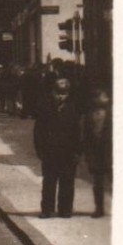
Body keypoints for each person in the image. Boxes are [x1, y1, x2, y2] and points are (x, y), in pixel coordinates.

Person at [34, 76, 83, 218]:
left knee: (67, 182)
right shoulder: (45, 108)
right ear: (52, 92)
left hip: (68, 152)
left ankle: (65, 209)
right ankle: (47, 209)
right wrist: (40, 149)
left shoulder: (72, 110)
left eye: (64, 93)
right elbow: (38, 131)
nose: (61, 97)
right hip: (50, 152)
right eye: (58, 93)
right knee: (49, 182)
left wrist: (77, 151)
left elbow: (77, 133)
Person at [80, 85, 112, 218]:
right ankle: (99, 208)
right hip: (96, 153)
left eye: (104, 97)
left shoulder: (113, 113)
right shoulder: (89, 115)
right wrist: (87, 154)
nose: (102, 99)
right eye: (99, 97)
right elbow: (86, 136)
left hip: (111, 153)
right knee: (97, 183)